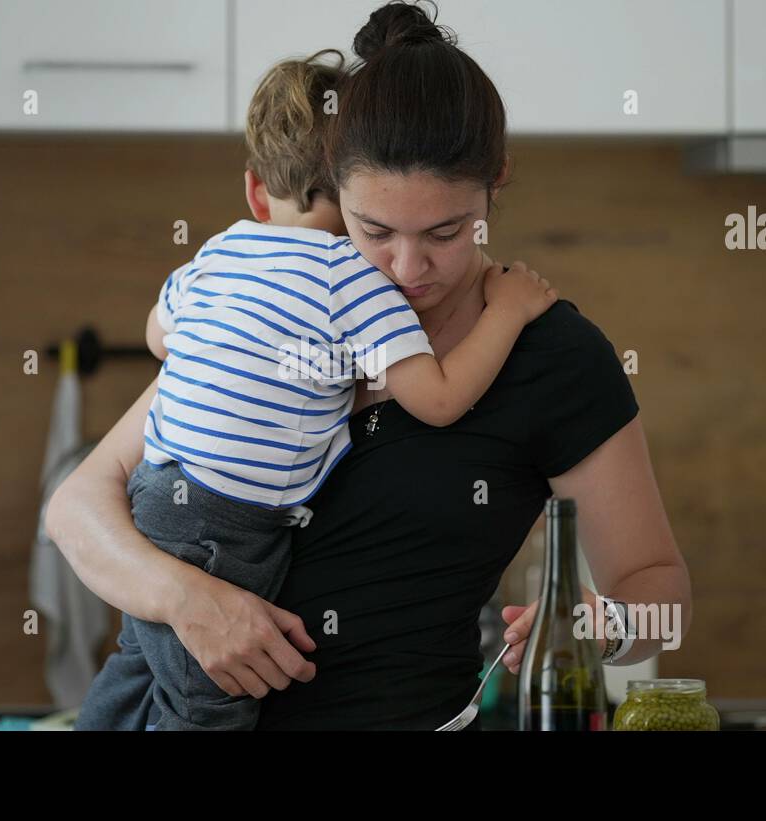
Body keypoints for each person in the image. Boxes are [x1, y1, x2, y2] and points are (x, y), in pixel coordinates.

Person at [48, 0, 690, 731]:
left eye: (445, 232)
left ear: (496, 185)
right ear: (336, 189)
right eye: (373, 229)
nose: (407, 268)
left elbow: (660, 589)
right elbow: (76, 508)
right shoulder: (280, 308)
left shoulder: (554, 359)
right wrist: (188, 600)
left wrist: (605, 624)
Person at [78, 48, 557, 731]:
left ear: (254, 190)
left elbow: (160, 336)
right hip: (230, 529)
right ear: (358, 184)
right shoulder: (351, 280)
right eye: (378, 229)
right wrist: (508, 310)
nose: (401, 261)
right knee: (209, 704)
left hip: (159, 493)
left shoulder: (217, 252)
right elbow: (441, 399)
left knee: (139, 661)